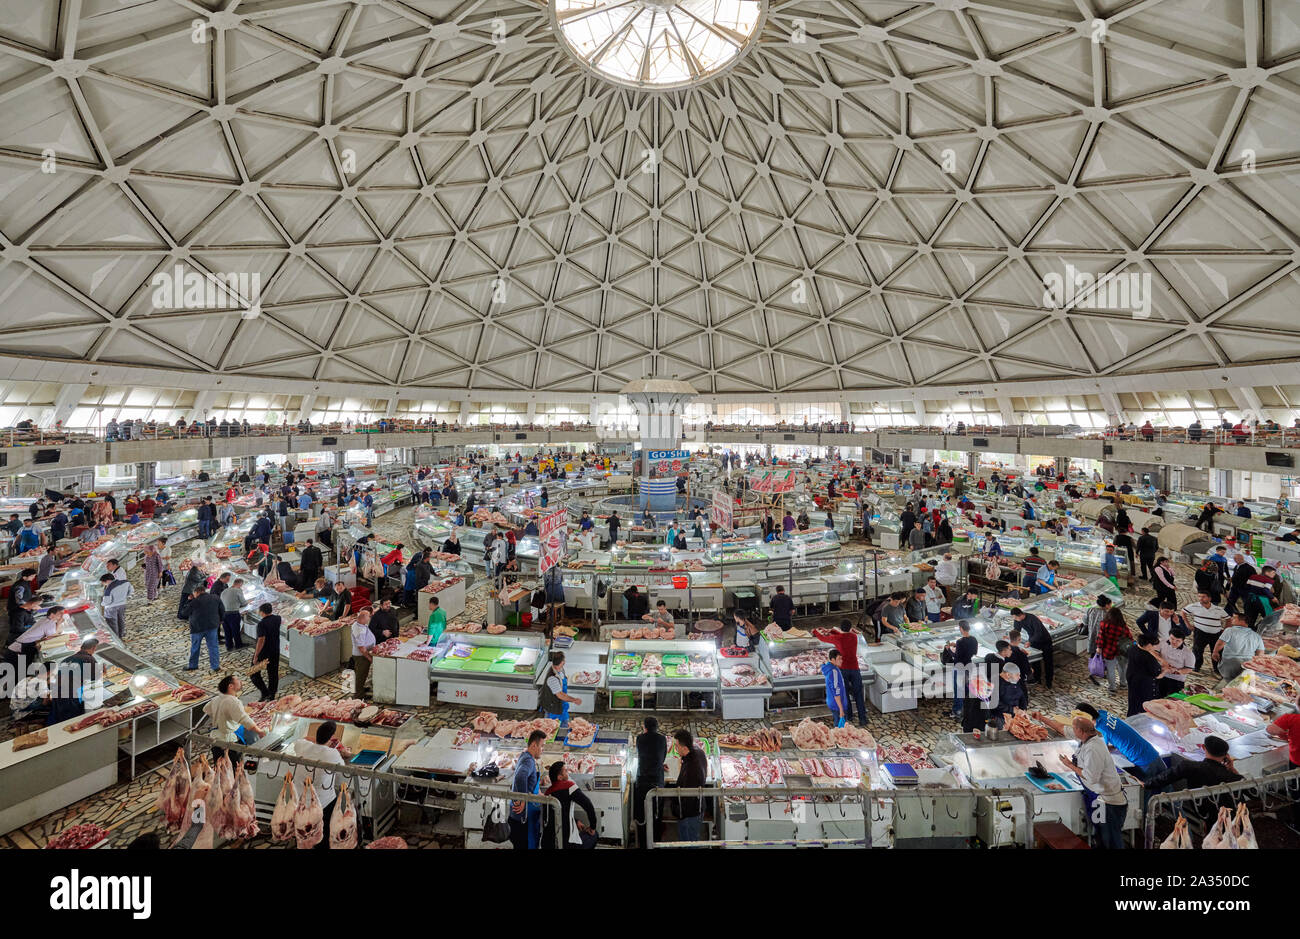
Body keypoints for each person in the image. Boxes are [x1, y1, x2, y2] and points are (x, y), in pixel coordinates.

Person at [1037, 702, 1164, 779]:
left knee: (1149, 791)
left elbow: (1101, 752)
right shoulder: (1103, 714)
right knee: (1166, 784)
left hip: (1143, 761)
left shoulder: (1101, 728)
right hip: (1150, 752)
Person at [1058, 716, 1127, 848]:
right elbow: (1063, 729)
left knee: (1111, 839)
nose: (1073, 730)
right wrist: (1042, 718)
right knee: (1100, 835)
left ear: (1081, 731)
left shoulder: (1093, 749)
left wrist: (1069, 765)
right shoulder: (1088, 738)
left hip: (1110, 803)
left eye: (1074, 728)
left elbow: (1091, 777)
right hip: (1099, 800)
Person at [289, 721, 346, 850]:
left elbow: (301, 740)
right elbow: (343, 772)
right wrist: (343, 752)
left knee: (304, 830)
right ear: (331, 738)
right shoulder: (332, 754)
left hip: (300, 798)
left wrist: (319, 741)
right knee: (324, 834)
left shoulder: (302, 746)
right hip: (323, 802)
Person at [812, 619, 867, 725]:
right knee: (858, 694)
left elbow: (823, 638)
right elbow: (844, 634)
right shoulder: (854, 636)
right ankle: (863, 719)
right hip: (855, 669)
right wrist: (832, 630)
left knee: (845, 694)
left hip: (843, 670)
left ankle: (849, 716)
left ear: (841, 628)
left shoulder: (838, 638)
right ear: (850, 628)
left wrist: (815, 631)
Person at [203, 674, 263, 761]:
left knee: (219, 766)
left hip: (215, 738)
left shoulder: (216, 699)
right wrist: (259, 731)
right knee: (232, 769)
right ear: (231, 686)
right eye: (238, 680)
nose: (241, 681)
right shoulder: (233, 701)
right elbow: (244, 719)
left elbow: (206, 709)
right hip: (228, 742)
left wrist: (219, 717)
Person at [542, 760, 598, 849]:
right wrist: (593, 827)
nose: (568, 774)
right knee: (594, 835)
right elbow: (588, 806)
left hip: (548, 843)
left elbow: (559, 814)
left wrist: (575, 821)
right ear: (560, 777)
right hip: (567, 844)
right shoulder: (569, 786)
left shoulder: (547, 793)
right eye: (566, 771)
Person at [47, 638, 102, 725]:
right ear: (94, 648)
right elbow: (95, 678)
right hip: (71, 697)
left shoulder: (66, 659)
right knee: (73, 723)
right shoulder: (89, 659)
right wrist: (102, 673)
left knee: (61, 722)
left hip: (57, 695)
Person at [634, 716, 667, 849]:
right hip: (657, 782)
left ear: (645, 727)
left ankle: (643, 844)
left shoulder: (640, 739)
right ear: (657, 727)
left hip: (642, 782)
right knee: (656, 814)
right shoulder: (662, 739)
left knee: (643, 814)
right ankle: (656, 843)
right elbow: (662, 756)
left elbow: (642, 755)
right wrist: (659, 764)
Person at [1265, 703, 1300, 828]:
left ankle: (1297, 824)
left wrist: (1286, 735)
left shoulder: (1291, 718)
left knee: (1297, 792)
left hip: (1297, 762)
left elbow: (1270, 729)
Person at [510, 730, 546, 850]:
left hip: (522, 817)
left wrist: (537, 784)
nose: (543, 749)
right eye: (542, 746)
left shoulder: (525, 755)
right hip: (524, 818)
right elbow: (521, 775)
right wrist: (523, 799)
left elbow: (526, 778)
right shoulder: (529, 761)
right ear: (534, 745)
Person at [673, 729, 707, 843]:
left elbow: (688, 799)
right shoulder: (698, 752)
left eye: (677, 746)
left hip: (690, 814)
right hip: (698, 807)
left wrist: (677, 812)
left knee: (688, 842)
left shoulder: (691, 769)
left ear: (684, 748)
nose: (675, 749)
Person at [1182, 591, 1228, 671]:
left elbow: (1229, 619)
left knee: (1217, 651)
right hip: (1200, 633)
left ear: (1209, 598)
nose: (1201, 599)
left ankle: (1217, 669)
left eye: (1203, 597)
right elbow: (1183, 612)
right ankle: (1196, 666)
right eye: (1199, 596)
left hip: (1216, 634)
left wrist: (1225, 629)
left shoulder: (1218, 609)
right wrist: (1188, 624)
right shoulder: (1194, 606)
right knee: (1197, 650)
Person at [1212, 614, 1265, 680]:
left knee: (1229, 681)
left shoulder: (1230, 630)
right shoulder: (1257, 636)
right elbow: (1260, 654)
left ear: (1242, 621)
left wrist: (1215, 652)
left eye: (1234, 618)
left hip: (1230, 663)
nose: (1231, 619)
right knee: (1240, 682)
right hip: (1247, 664)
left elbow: (1220, 643)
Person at [944, 619, 978, 719]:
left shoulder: (960, 641)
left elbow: (956, 656)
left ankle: (956, 711)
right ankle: (967, 709)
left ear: (961, 628)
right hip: (968, 666)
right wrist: (956, 646)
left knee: (958, 690)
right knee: (967, 688)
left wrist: (948, 649)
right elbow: (974, 652)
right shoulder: (973, 639)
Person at [1013, 606, 1053, 689]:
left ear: (1020, 615)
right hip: (1034, 641)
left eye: (1015, 617)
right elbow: (1016, 630)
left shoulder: (1032, 618)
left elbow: (1039, 633)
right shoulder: (1017, 620)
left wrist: (1030, 642)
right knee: (1036, 661)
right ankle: (1037, 678)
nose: (1014, 619)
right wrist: (1012, 639)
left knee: (1048, 661)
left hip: (1045, 640)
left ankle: (1049, 681)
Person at [184, 586, 222, 673]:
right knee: (213, 647)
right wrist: (221, 620)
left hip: (197, 628)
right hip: (212, 627)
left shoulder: (195, 601)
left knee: (195, 647)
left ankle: (193, 665)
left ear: (197, 592)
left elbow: (184, 613)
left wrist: (189, 600)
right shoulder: (215, 597)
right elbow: (222, 610)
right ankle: (215, 666)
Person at [1125, 634, 1164, 717]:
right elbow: (1157, 674)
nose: (1155, 648)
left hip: (1132, 678)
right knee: (1144, 704)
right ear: (1149, 645)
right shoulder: (1148, 658)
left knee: (1133, 701)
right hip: (1144, 684)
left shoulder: (1132, 648)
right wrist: (1166, 671)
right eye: (1154, 645)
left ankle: (1130, 718)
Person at [249, 602, 281, 700]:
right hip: (275, 650)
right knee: (273, 673)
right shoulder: (278, 618)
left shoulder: (262, 624)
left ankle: (265, 692)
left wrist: (256, 655)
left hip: (264, 652)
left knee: (253, 673)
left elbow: (261, 640)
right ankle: (271, 694)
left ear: (262, 612)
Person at [1097, 607, 1130, 693]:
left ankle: (1112, 687)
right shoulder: (1123, 627)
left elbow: (1100, 638)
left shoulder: (1104, 624)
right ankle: (1123, 684)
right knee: (1123, 668)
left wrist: (1099, 647)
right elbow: (1130, 638)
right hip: (1121, 652)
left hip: (1108, 651)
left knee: (1110, 670)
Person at [1157, 626, 1195, 697]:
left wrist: (1176, 671)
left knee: (1173, 700)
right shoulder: (1162, 642)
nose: (1174, 642)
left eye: (1178, 640)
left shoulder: (1188, 653)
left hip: (1176, 680)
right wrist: (1162, 661)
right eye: (1172, 638)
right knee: (1158, 697)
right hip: (1161, 676)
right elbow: (1155, 653)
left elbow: (1189, 669)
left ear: (1183, 641)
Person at [990, 662, 1027, 728]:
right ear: (1008, 675)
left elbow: (1022, 696)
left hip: (1015, 715)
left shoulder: (1015, 680)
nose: (1019, 677)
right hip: (999, 716)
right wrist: (1012, 710)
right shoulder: (993, 683)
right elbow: (994, 704)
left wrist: (1023, 709)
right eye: (1017, 675)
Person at [100, 570, 133, 639]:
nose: (103, 584)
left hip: (111, 608)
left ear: (107, 580)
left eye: (103, 582)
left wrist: (102, 604)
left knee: (112, 623)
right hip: (122, 604)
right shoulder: (126, 582)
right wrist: (124, 597)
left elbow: (107, 601)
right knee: (121, 620)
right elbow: (131, 591)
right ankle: (121, 634)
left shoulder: (109, 589)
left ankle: (116, 637)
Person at [350, 609, 375, 695]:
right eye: (368, 616)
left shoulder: (359, 624)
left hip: (362, 655)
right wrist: (369, 657)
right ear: (363, 618)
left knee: (363, 674)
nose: (369, 618)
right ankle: (358, 695)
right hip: (361, 656)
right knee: (361, 675)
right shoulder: (360, 630)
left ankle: (360, 689)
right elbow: (361, 647)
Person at [822, 648, 848, 727]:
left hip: (832, 702)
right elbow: (836, 691)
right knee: (839, 728)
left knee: (838, 724)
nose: (841, 661)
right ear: (833, 659)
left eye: (841, 658)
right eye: (839, 659)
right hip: (837, 704)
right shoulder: (834, 671)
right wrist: (841, 709)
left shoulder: (830, 668)